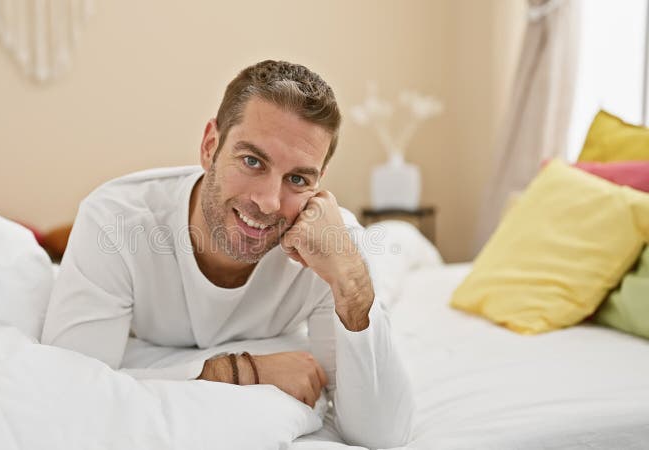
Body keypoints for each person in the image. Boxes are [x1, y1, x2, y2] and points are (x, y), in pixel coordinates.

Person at [41, 60, 414, 448]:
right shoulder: (115, 220)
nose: (268, 202)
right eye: (252, 161)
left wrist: (352, 281)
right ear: (210, 146)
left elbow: (383, 435)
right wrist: (240, 371)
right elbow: (73, 388)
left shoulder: (329, 248)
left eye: (297, 179)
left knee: (399, 250)